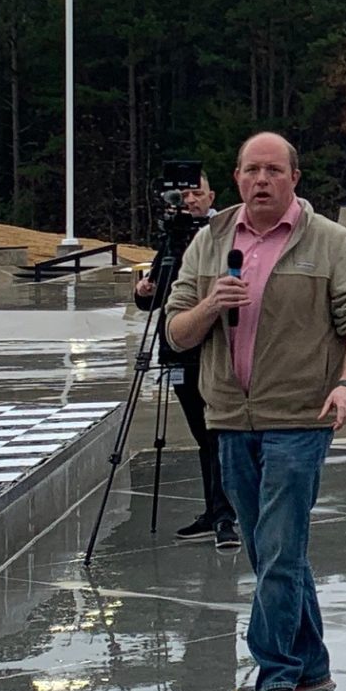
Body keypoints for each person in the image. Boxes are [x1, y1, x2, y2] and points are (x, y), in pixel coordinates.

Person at [165, 131, 346, 691]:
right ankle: (312, 669)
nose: (261, 180)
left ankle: (276, 678)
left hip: (302, 418)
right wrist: (211, 305)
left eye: (273, 170)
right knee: (269, 552)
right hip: (230, 420)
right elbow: (175, 332)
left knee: (282, 547)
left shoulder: (331, 243)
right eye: (251, 170)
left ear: (294, 178)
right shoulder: (209, 243)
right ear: (235, 179)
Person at [132, 172, 239, 551]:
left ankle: (226, 514)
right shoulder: (173, 239)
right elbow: (155, 298)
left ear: (212, 194)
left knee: (217, 433)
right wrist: (143, 290)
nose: (190, 200)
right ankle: (215, 511)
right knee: (202, 435)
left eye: (198, 192)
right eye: (185, 193)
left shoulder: (225, 234)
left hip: (215, 349)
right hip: (177, 351)